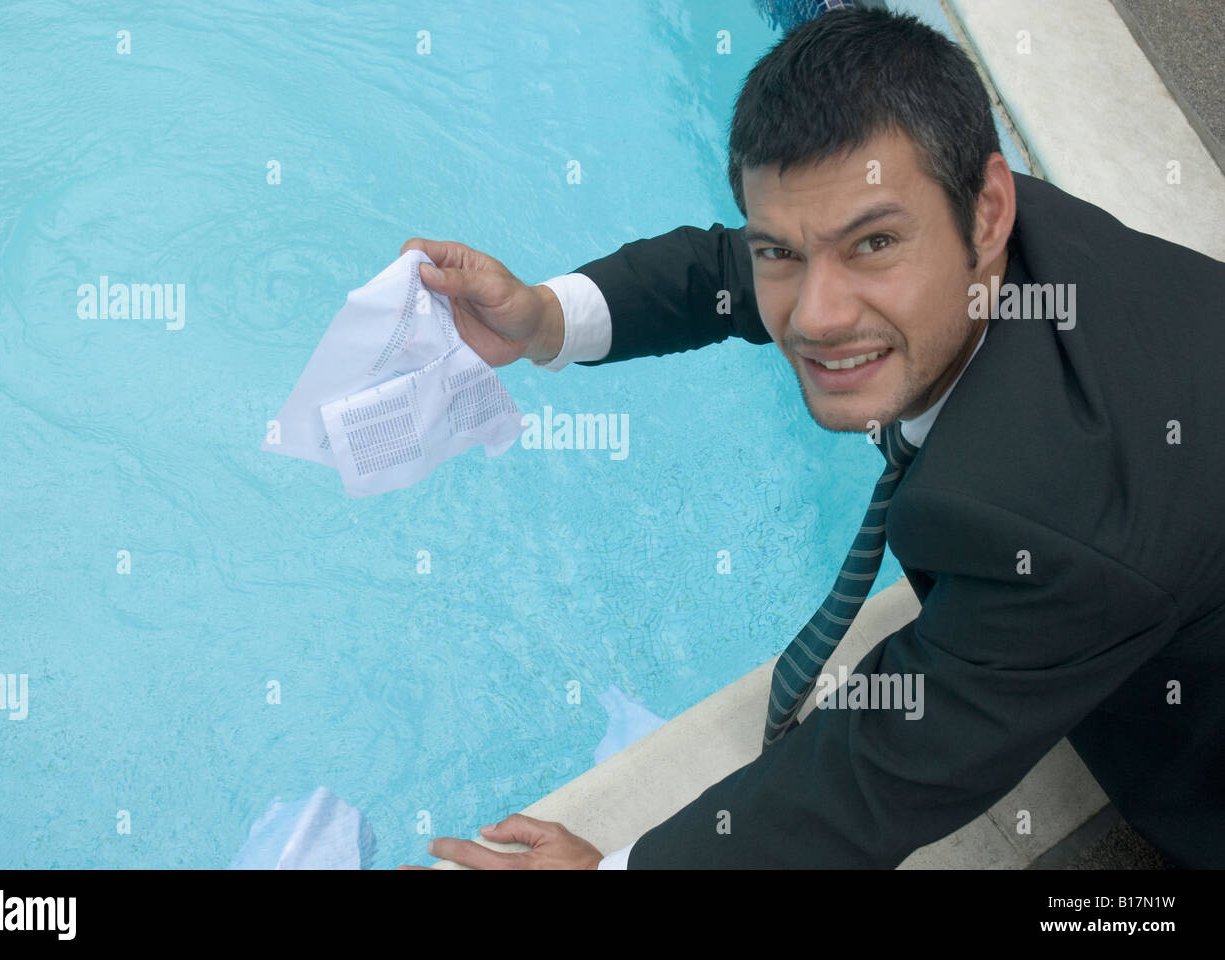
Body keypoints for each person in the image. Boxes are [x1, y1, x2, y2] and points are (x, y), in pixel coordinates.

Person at [395, 8, 1225, 870]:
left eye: (873, 243)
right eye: (784, 253)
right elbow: (731, 267)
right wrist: (543, 317)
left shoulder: (1060, 523)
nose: (818, 316)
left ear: (988, 213)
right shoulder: (976, 228)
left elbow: (868, 779)